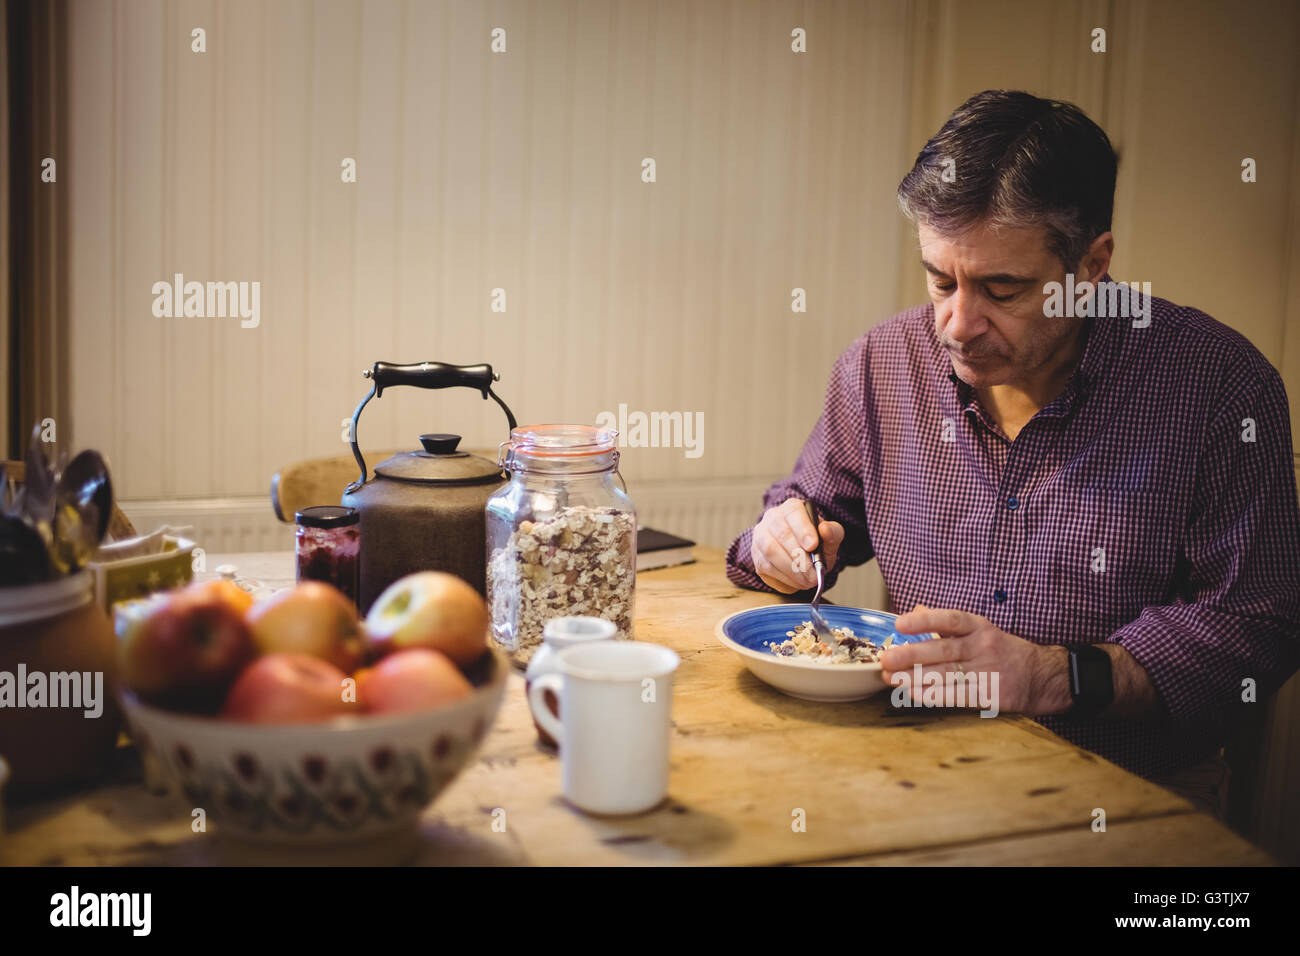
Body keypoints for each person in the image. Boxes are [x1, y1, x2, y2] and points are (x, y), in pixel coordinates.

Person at [725, 90, 1300, 819]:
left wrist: (1054, 676)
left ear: (1092, 265)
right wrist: (783, 540)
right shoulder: (881, 365)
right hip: (913, 768)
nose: (958, 326)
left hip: (1126, 796)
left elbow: (1259, 622)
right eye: (941, 280)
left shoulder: (1218, 386)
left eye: (1003, 288)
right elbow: (810, 516)